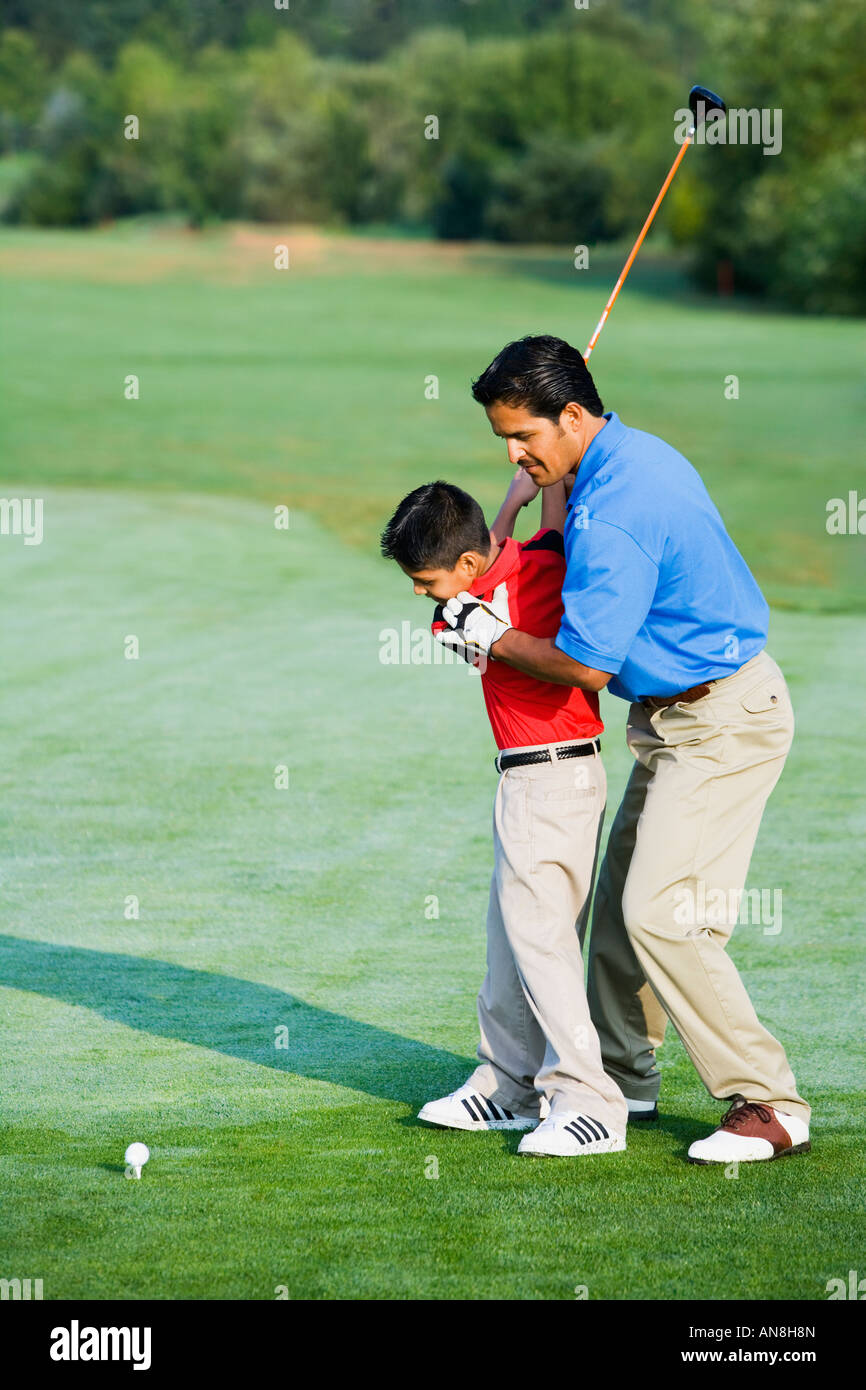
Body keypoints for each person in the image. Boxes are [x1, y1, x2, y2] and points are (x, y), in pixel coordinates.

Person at [436, 334, 810, 1165]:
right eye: (503, 438)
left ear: (573, 415)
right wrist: (539, 487)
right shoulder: (624, 453)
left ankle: (769, 1102)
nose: (512, 453)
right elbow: (566, 547)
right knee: (614, 918)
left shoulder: (614, 512)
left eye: (525, 436)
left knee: (662, 914)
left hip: (724, 720)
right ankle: (618, 1080)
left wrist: (489, 634)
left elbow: (586, 665)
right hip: (678, 722)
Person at [380, 474, 628, 1156]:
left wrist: (517, 502)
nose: (422, 594)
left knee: (542, 947)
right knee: (513, 942)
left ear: (464, 565)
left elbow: (487, 605)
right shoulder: (534, 562)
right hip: (542, 781)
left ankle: (590, 1102)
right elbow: (531, 543)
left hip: (550, 779)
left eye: (426, 580)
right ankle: (509, 1087)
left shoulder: (469, 608)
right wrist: (522, 495)